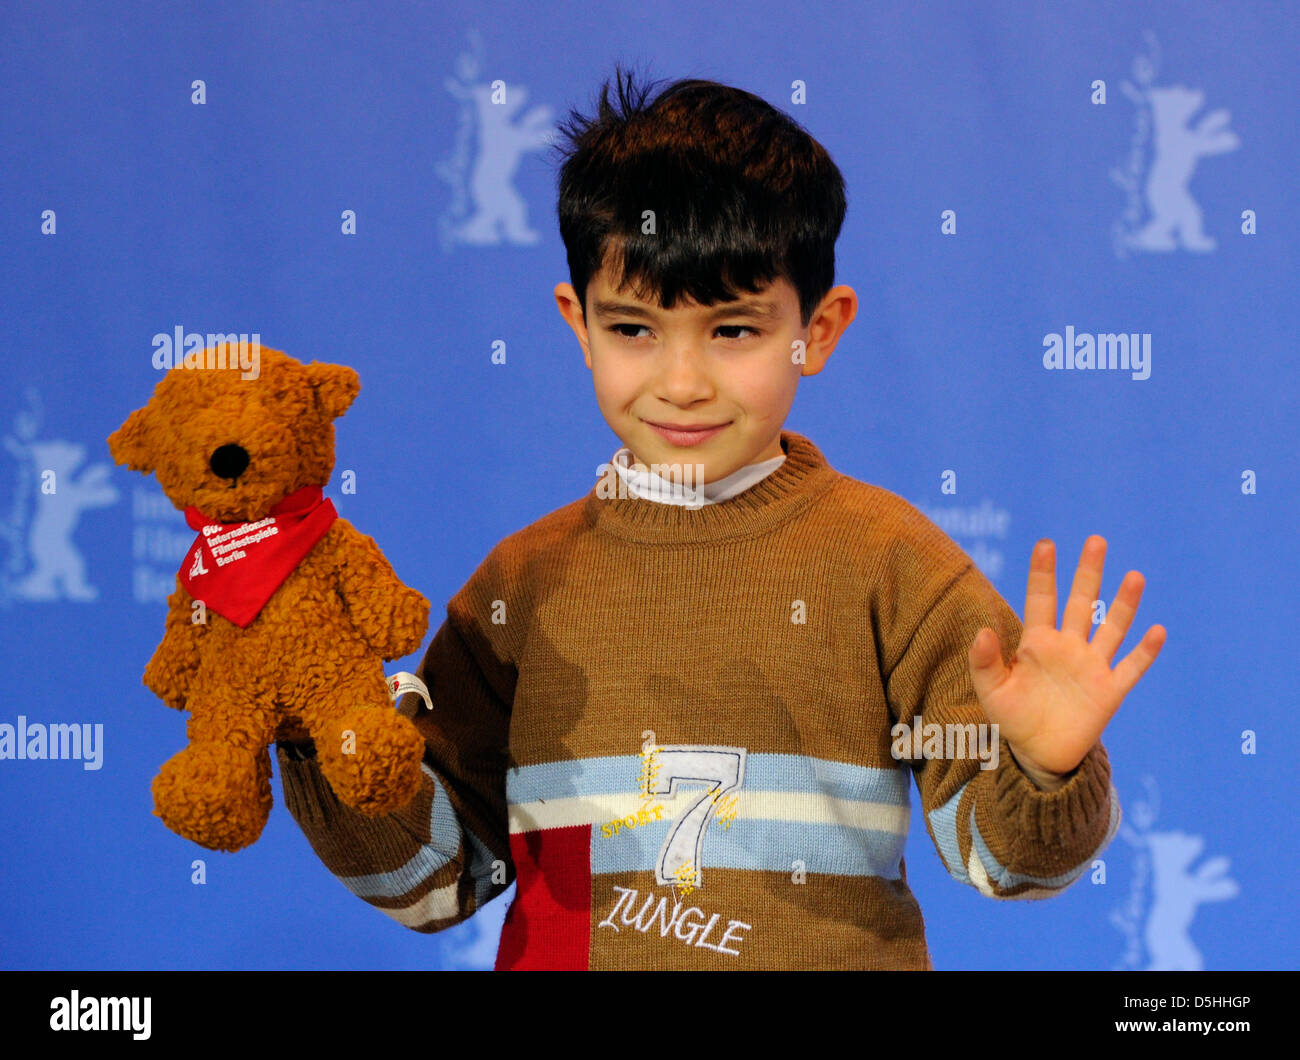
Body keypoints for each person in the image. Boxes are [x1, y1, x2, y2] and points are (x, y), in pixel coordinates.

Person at [276, 67, 1166, 969]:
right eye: (633, 330)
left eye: (733, 330)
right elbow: (434, 880)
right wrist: (319, 721)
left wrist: (1045, 769)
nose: (683, 381)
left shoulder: (895, 566)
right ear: (577, 322)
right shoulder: (520, 585)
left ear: (818, 330)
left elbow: (1001, 861)